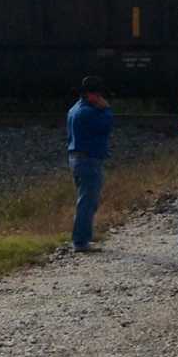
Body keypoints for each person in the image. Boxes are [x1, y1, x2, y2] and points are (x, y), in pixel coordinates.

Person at [66, 76, 114, 253]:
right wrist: (106, 110)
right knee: (88, 202)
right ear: (91, 95)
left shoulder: (74, 110)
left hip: (77, 158)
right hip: (88, 160)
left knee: (85, 200)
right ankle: (81, 241)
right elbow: (106, 125)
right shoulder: (88, 113)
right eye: (98, 94)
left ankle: (82, 237)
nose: (101, 98)